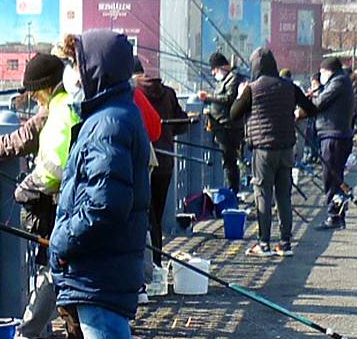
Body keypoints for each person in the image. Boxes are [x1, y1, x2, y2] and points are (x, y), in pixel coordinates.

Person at [49, 30, 153, 339]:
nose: (70, 74)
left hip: (99, 269)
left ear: (93, 70)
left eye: (75, 64)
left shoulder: (108, 122)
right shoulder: (113, 115)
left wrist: (62, 240)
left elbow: (106, 203)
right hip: (105, 266)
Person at [0, 51, 71, 339]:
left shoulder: (58, 108)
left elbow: (25, 139)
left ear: (43, 89)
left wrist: (24, 187)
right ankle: (43, 328)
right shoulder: (72, 101)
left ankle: (29, 331)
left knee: (54, 265)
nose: (33, 99)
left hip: (59, 201)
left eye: (34, 92)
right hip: (79, 202)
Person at [230, 46, 317, 257]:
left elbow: (234, 114)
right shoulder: (290, 87)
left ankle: (264, 243)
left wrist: (241, 95)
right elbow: (312, 109)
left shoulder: (252, 88)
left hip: (262, 150)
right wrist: (296, 114)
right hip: (286, 148)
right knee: (283, 196)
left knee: (263, 195)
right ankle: (285, 243)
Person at [135, 59, 187, 255]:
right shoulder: (168, 92)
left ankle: (149, 266)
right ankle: (157, 262)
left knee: (145, 217)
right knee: (156, 215)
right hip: (165, 161)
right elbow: (182, 123)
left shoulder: (134, 93)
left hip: (144, 161)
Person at [310, 56, 357, 216]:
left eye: (322, 72)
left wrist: (315, 92)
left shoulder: (338, 82)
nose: (320, 75)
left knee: (331, 177)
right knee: (333, 177)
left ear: (328, 71)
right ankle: (336, 212)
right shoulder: (340, 81)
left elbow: (318, 103)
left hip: (334, 135)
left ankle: (334, 214)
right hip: (334, 134)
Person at [197, 51, 245, 192]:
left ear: (221, 67)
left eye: (214, 70)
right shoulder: (225, 80)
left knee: (230, 162)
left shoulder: (233, 78)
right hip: (220, 126)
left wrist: (208, 97)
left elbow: (228, 99)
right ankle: (231, 191)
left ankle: (233, 192)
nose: (213, 74)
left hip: (228, 127)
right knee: (228, 162)